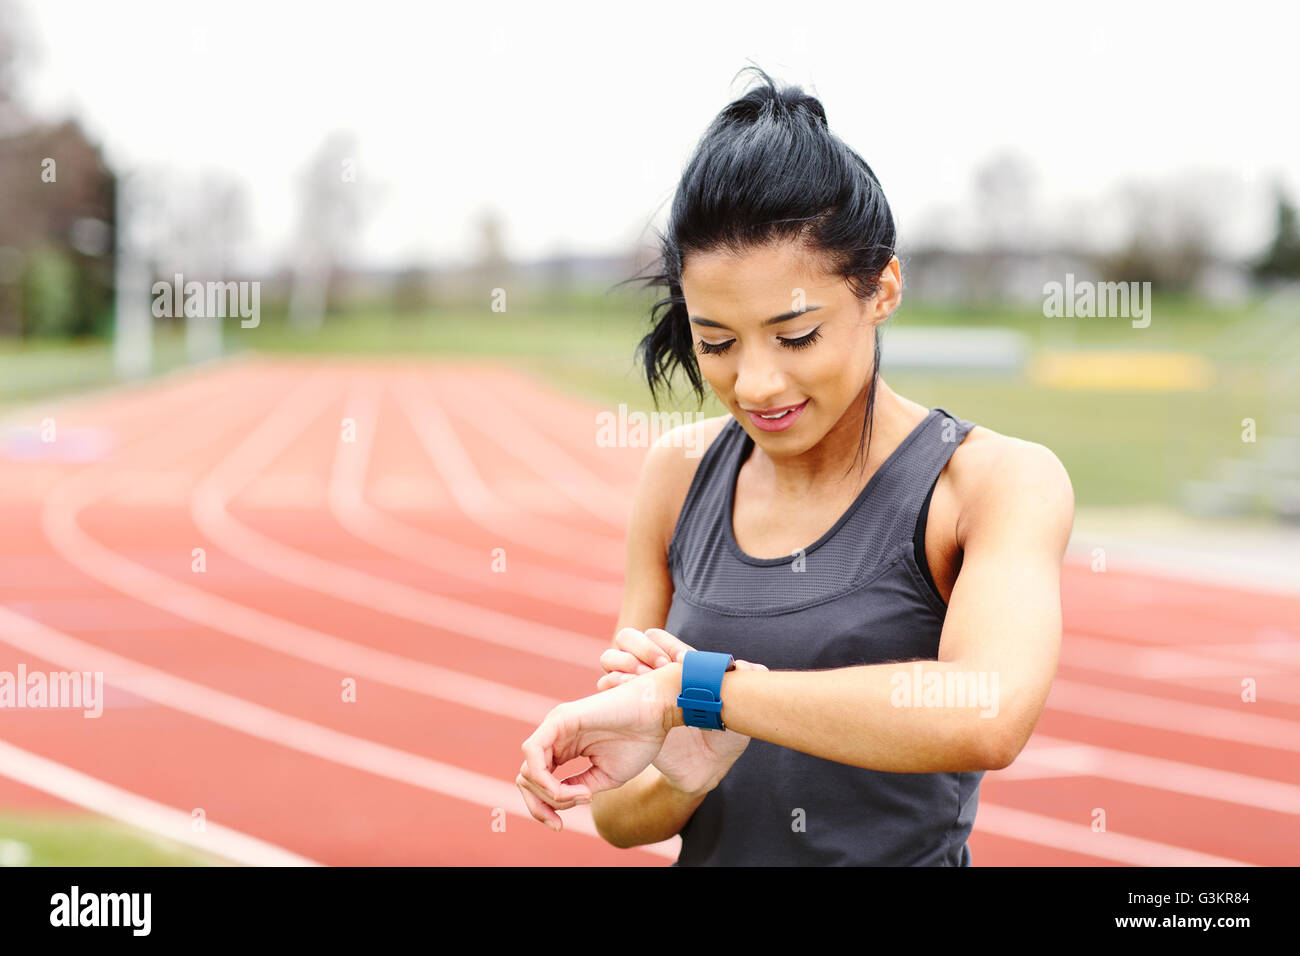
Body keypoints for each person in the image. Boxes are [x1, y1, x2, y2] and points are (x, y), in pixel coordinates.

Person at [515, 66, 1074, 866]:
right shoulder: (678, 476)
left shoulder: (990, 483)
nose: (756, 383)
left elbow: (985, 713)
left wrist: (704, 693)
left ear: (880, 290)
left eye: (797, 334)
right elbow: (618, 817)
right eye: (716, 342)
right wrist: (688, 770)